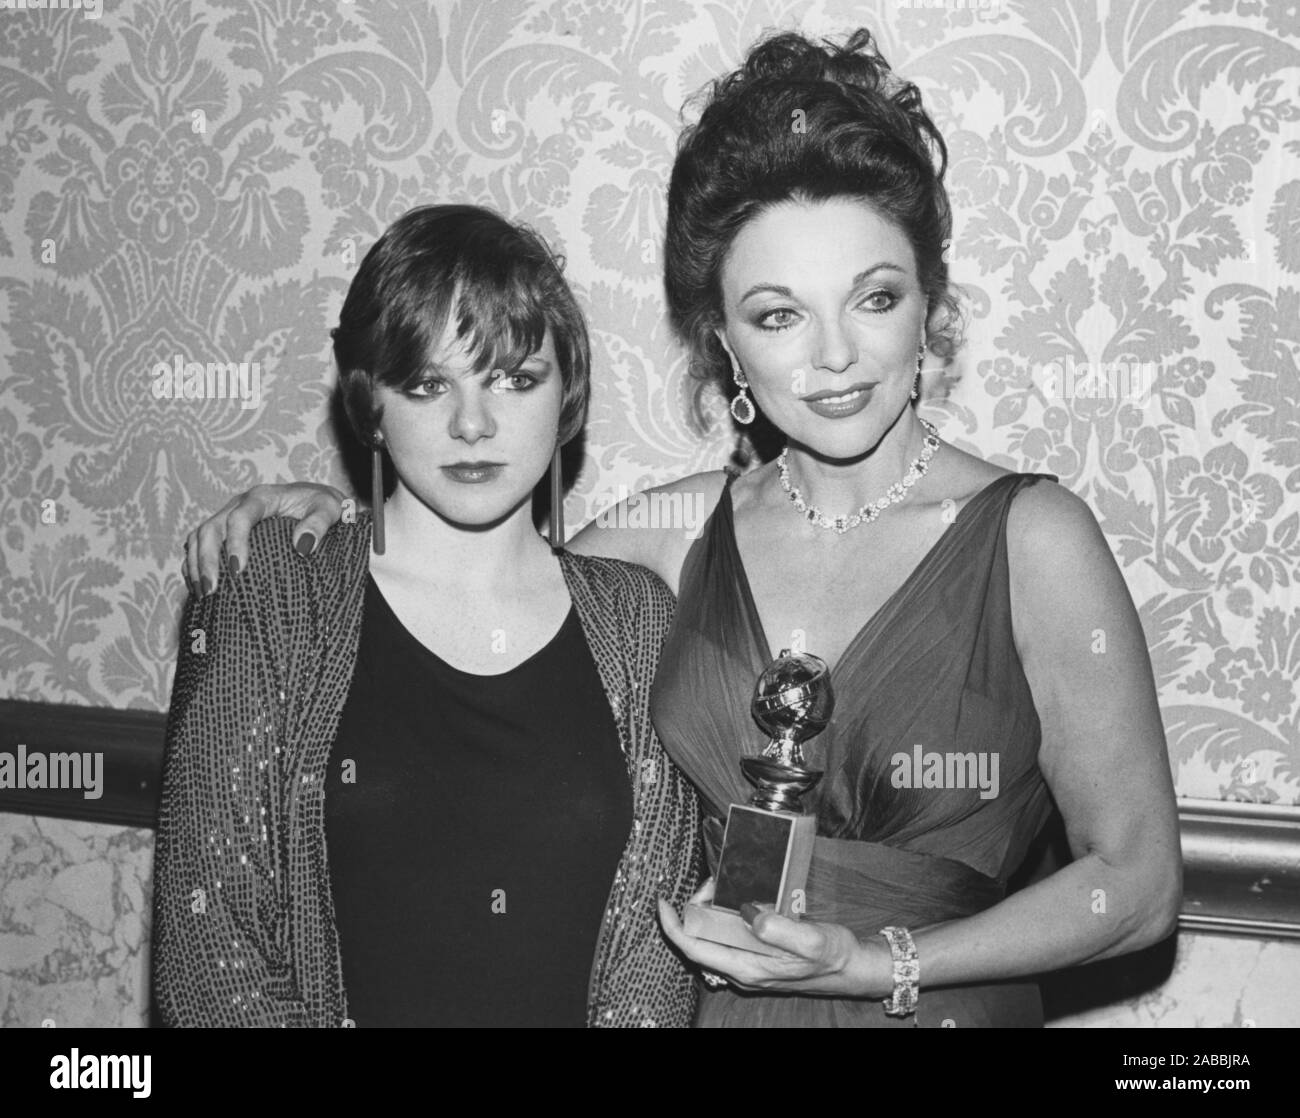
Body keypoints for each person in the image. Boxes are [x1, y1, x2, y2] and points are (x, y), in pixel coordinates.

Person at [181, 29, 1182, 1028]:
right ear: (725, 343)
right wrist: (335, 524)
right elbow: (475, 584)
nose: (835, 355)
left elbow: (1133, 886)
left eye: (873, 297)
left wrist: (873, 964)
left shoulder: (1031, 537)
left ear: (930, 304)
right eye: (777, 315)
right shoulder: (670, 535)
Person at [151, 204, 702, 1028]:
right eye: (428, 383)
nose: (473, 424)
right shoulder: (272, 591)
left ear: (568, 395)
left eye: (515, 378)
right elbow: (208, 966)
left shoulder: (636, 623)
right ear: (371, 402)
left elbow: (651, 969)